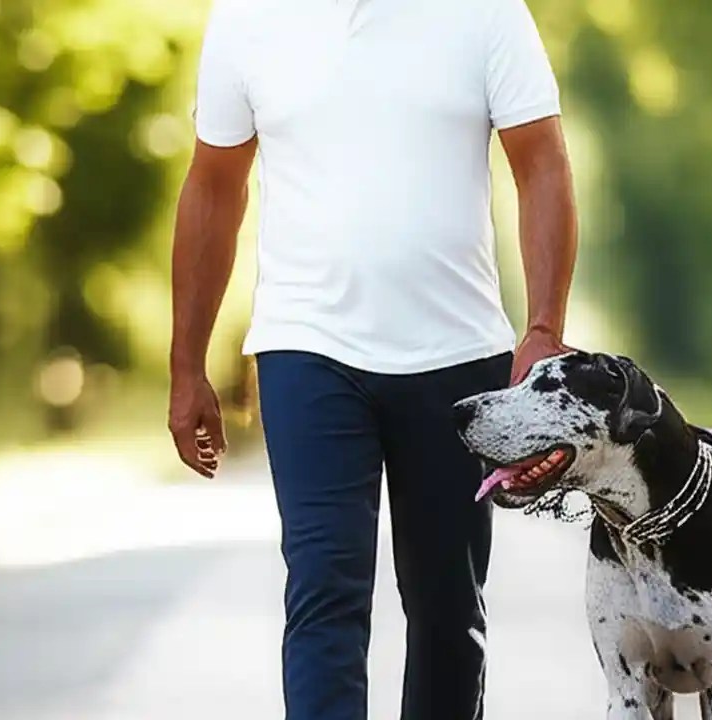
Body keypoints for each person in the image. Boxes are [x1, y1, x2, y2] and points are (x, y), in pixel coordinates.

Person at [167, 0, 577, 717]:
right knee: (324, 590)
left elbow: (541, 162)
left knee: (448, 607)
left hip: (458, 356)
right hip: (307, 349)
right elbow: (213, 185)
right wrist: (186, 365)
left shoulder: (486, 12)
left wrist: (543, 328)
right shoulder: (247, 17)